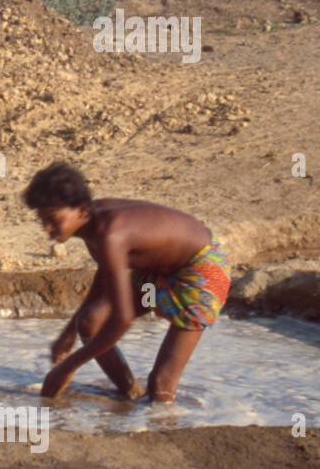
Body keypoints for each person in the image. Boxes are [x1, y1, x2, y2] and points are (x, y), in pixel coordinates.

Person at [22, 162, 231, 403]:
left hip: (200, 274)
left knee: (161, 387)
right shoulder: (93, 224)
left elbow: (123, 319)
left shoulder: (111, 234)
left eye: (53, 219)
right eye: (42, 220)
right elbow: (106, 275)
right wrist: (69, 333)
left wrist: (67, 367)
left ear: (80, 209)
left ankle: (162, 426)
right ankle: (130, 395)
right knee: (90, 322)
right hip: (154, 281)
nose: (47, 229)